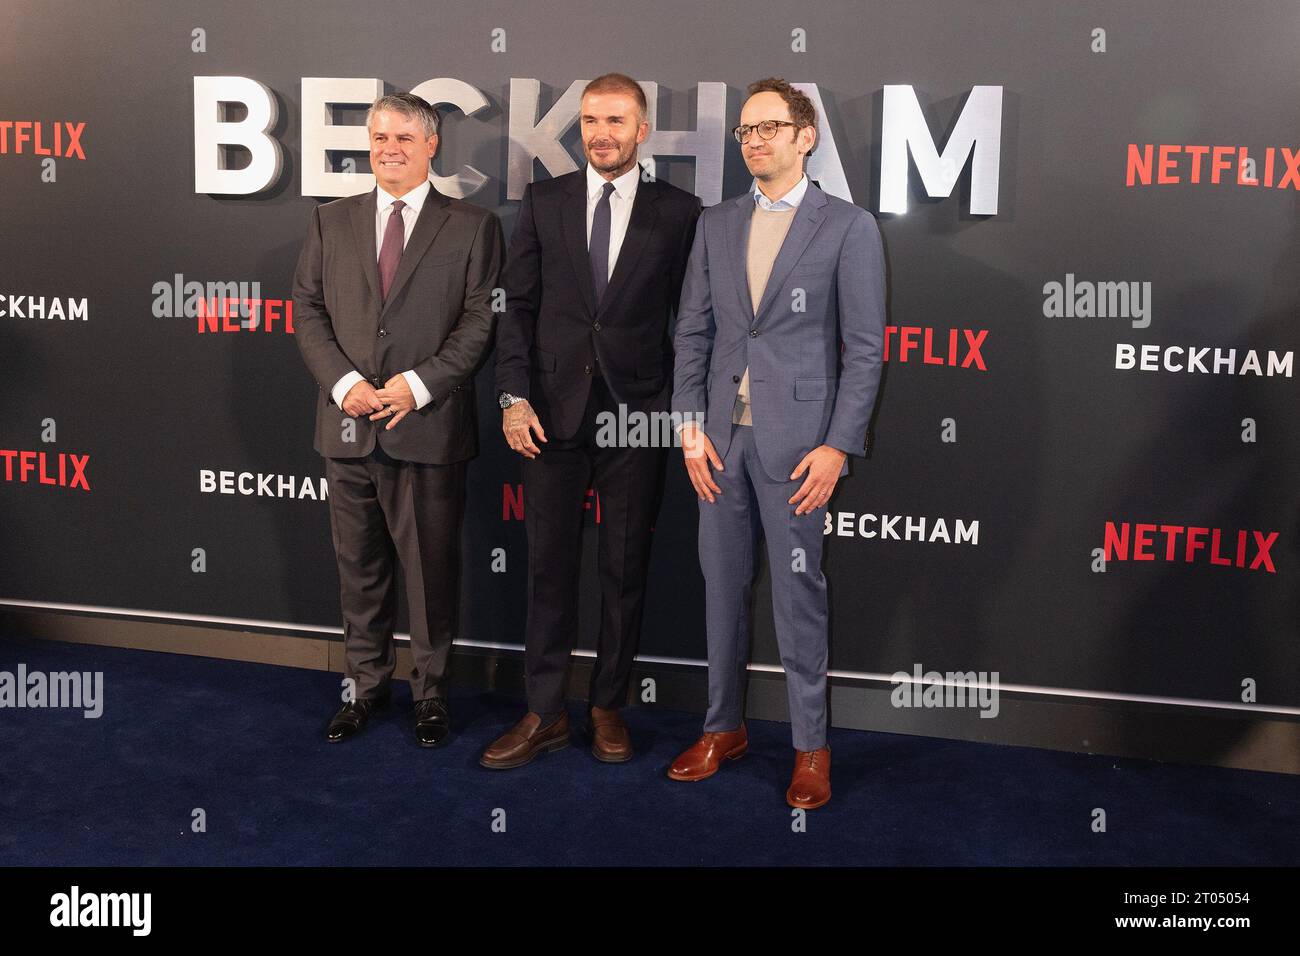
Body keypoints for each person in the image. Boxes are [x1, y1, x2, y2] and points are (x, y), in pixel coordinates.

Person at [668, 78, 886, 808]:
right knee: (721, 593)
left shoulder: (848, 227)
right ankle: (721, 728)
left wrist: (837, 446)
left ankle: (810, 749)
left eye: (769, 127)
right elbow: (694, 330)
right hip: (720, 447)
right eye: (745, 131)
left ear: (805, 136)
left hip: (799, 451)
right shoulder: (716, 223)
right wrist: (690, 427)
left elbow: (864, 349)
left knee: (798, 598)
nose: (754, 140)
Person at [483, 73, 702, 768]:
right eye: (589, 121)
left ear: (643, 130)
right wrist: (513, 396)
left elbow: (692, 320)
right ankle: (544, 711)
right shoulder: (544, 201)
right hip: (548, 412)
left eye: (616, 120)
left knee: (624, 567)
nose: (600, 133)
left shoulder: (679, 211)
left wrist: (676, 405)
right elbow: (514, 306)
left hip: (638, 415)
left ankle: (608, 704)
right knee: (548, 568)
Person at [292, 92, 503, 747]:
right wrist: (346, 384)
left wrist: (416, 386)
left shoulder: (472, 226)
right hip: (349, 427)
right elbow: (307, 311)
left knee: (430, 575)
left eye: (404, 138)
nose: (389, 149)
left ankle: (431, 695)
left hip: (430, 427)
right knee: (359, 570)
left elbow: (480, 322)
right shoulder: (332, 221)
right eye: (379, 137)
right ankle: (364, 689)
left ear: (431, 145)